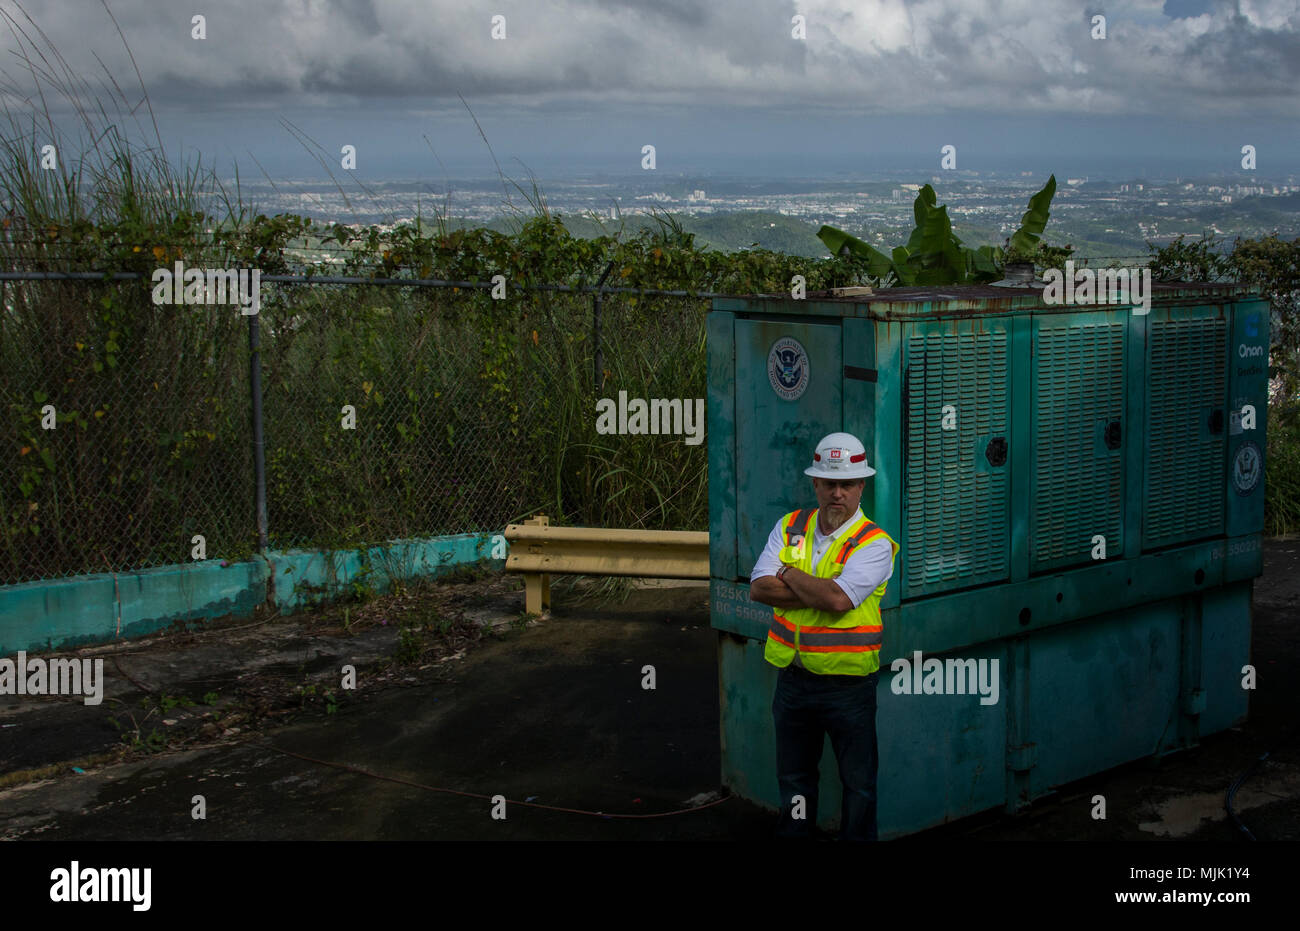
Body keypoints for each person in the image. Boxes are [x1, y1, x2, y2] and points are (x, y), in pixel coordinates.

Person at [749, 431, 899, 841]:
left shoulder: (874, 544)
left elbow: (838, 600)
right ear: (815, 483)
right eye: (829, 483)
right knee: (795, 783)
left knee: (859, 788)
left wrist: (789, 574)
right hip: (794, 680)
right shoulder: (791, 525)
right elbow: (759, 589)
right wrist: (820, 586)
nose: (838, 493)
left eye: (847, 484)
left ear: (860, 486)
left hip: (848, 687)